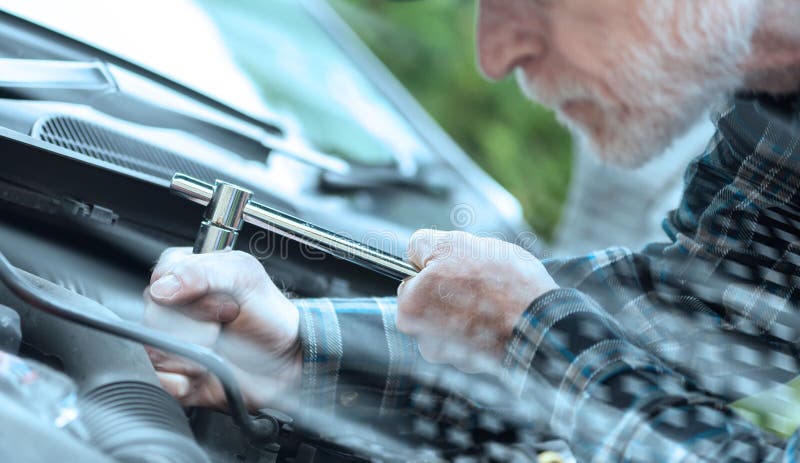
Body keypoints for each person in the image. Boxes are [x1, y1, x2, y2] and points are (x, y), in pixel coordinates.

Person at [144, 0, 800, 460]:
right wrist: (298, 351)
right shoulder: (778, 105)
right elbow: (702, 312)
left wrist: (531, 335)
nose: (495, 55)